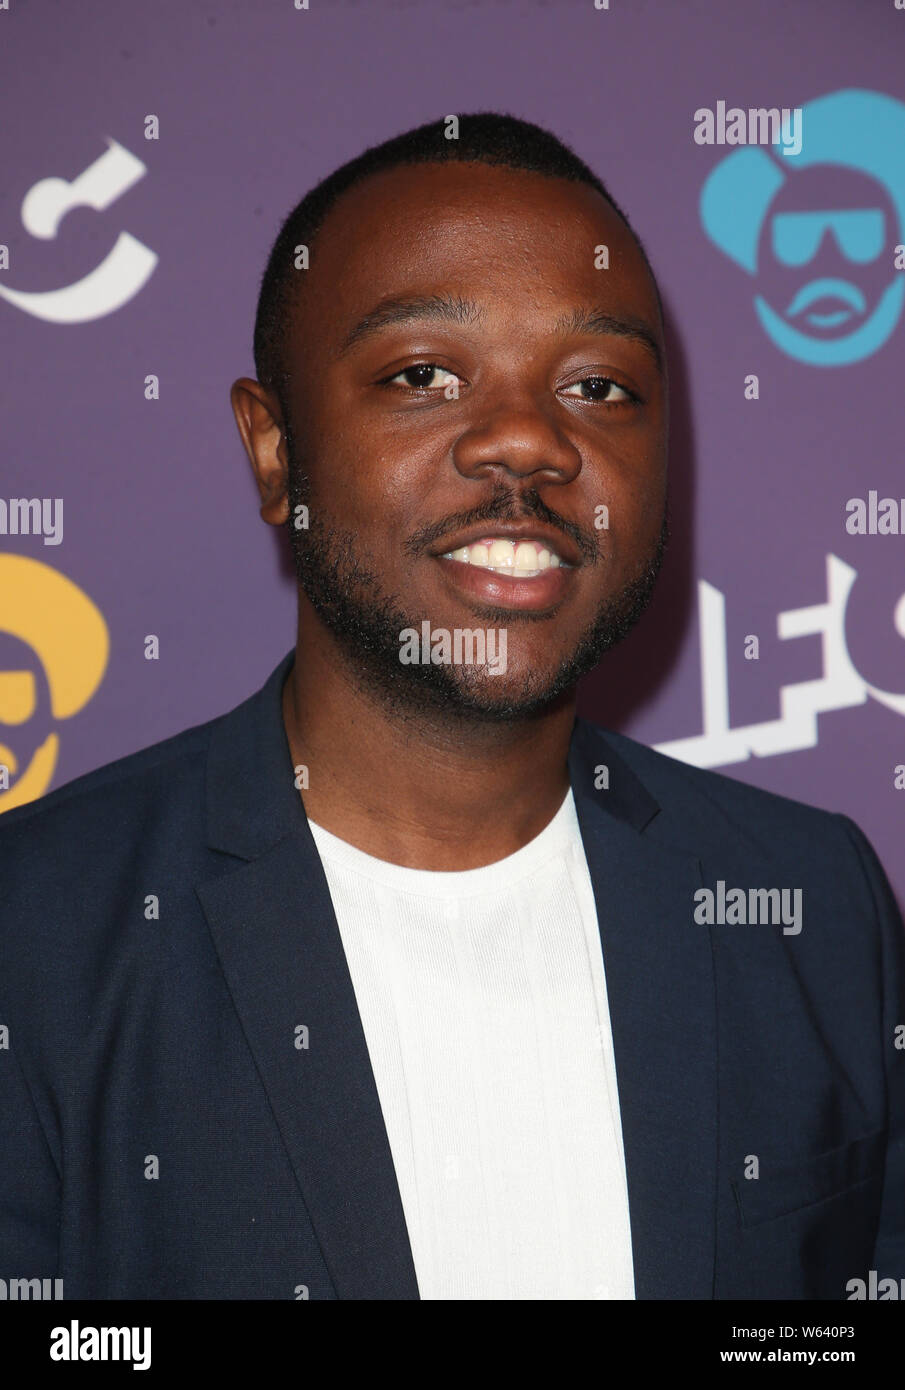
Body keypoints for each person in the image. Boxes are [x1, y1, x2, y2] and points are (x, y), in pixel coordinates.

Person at [1, 113, 902, 1301]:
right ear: (274, 454)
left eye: (598, 384)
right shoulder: (39, 933)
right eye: (422, 374)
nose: (529, 439)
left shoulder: (810, 900)